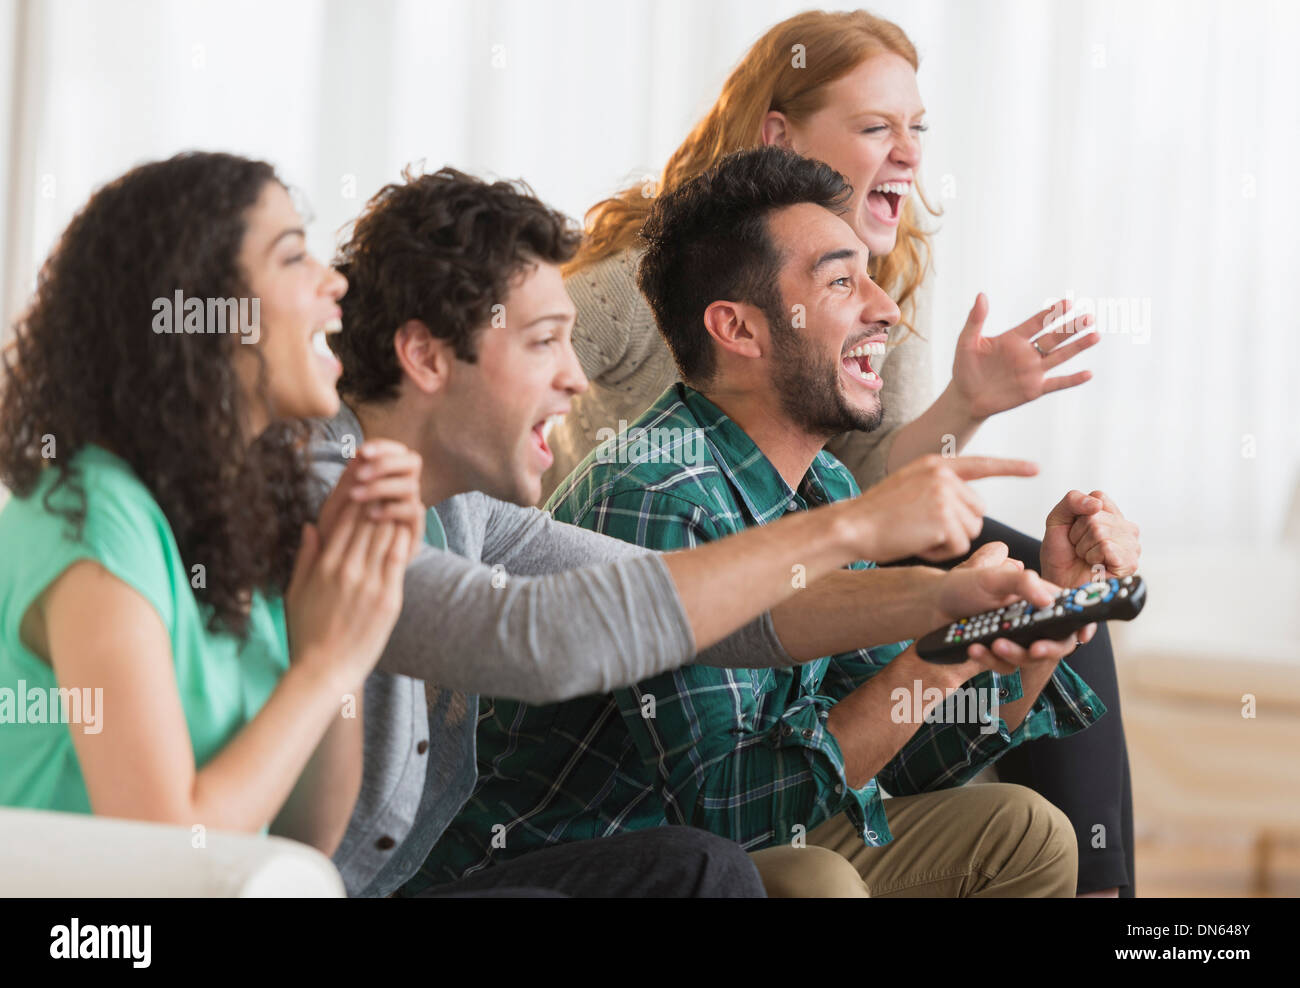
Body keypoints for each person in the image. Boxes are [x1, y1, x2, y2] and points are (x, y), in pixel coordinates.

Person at [310, 165, 1058, 898]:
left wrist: (947, 611)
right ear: (425, 355)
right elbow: (532, 634)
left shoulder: (468, 511)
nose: (576, 378)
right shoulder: (325, 493)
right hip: (430, 875)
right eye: (544, 342)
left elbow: (713, 616)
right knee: (736, 871)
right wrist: (856, 527)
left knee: (1022, 831)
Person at [544, 9, 1134, 896]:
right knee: (818, 874)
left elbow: (897, 752)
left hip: (747, 817)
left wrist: (1029, 635)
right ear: (738, 329)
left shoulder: (820, 481)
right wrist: (941, 642)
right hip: (621, 847)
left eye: (916, 128)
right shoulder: (658, 487)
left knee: (1026, 831)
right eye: (842, 283)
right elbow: (731, 820)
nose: (887, 310)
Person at [0, 152, 420, 854]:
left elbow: (303, 835)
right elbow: (166, 853)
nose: (334, 281)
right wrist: (321, 671)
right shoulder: (93, 517)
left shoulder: (232, 513)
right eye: (292, 258)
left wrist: (341, 646)